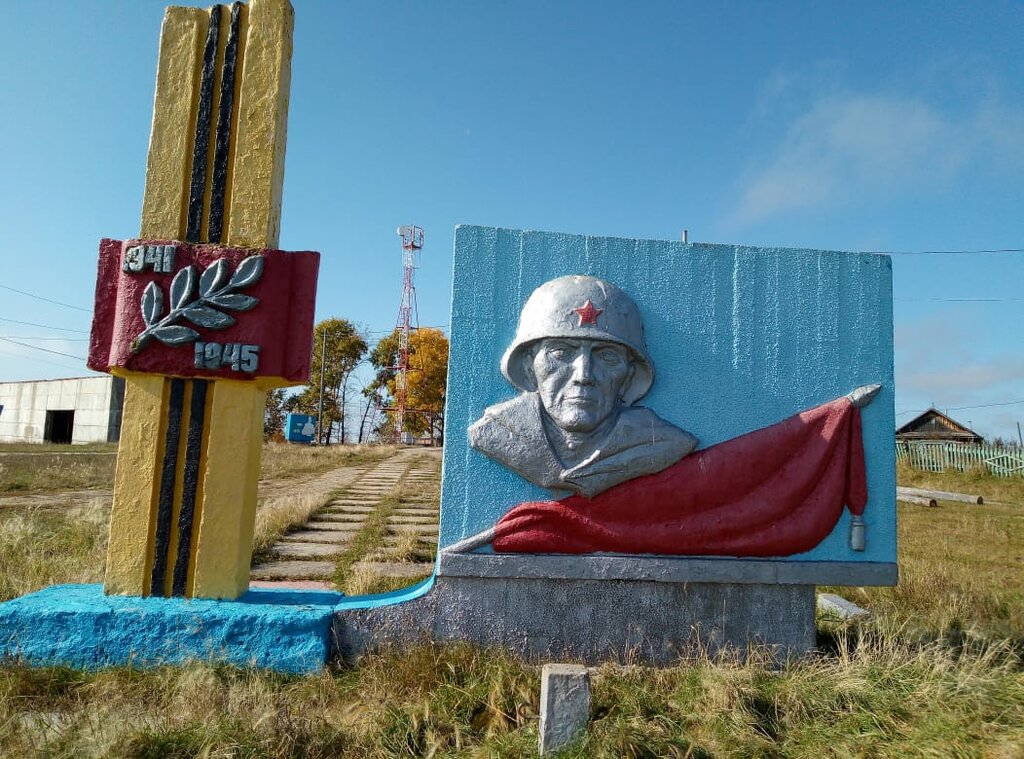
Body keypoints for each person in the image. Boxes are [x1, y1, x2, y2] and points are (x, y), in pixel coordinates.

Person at [468, 275, 697, 498]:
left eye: (607, 357)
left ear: (629, 377)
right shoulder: (495, 432)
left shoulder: (660, 443)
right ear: (529, 368)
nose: (584, 376)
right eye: (560, 353)